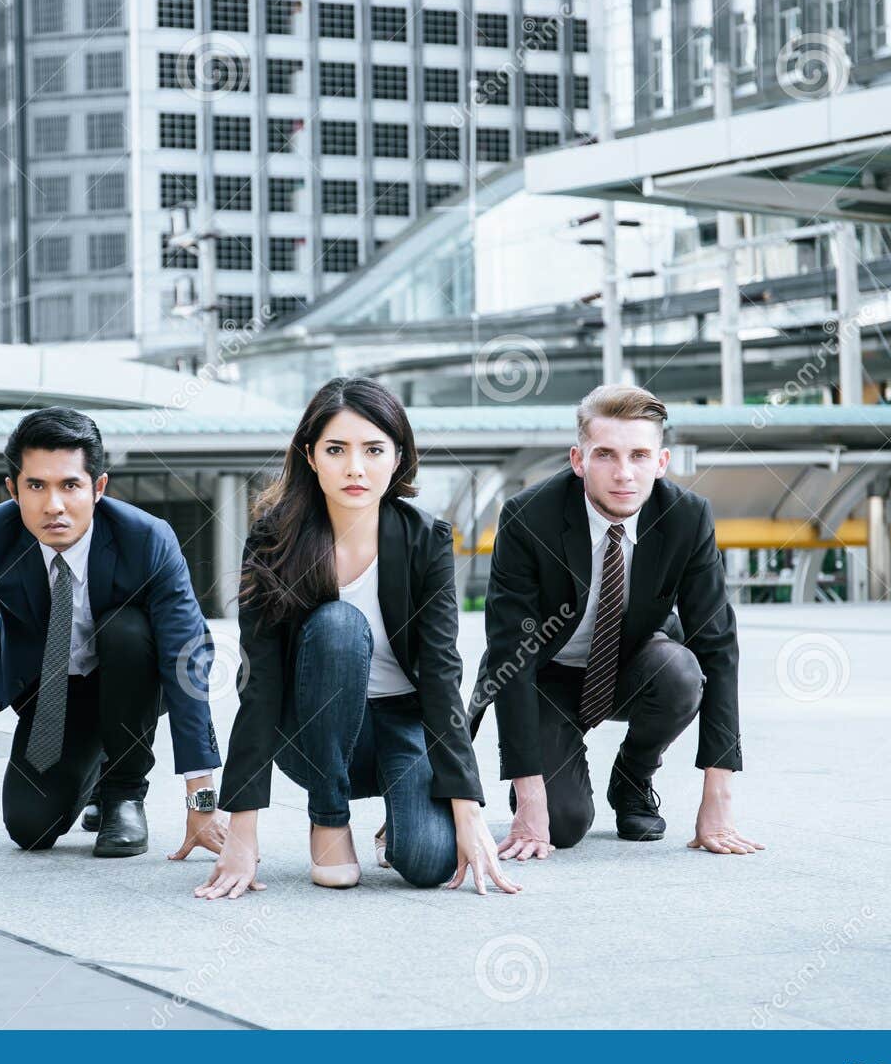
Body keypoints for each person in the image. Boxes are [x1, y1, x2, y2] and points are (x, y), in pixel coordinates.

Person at [197, 378, 519, 898]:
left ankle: (400, 815)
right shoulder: (273, 539)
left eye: (373, 449)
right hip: (310, 731)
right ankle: (329, 817)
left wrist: (469, 811)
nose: (355, 468)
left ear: (398, 456)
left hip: (399, 722)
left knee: (429, 862)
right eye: (336, 450)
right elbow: (260, 683)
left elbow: (440, 675)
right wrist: (242, 831)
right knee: (341, 626)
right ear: (310, 456)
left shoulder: (425, 540)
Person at [0, 407, 227, 863]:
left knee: (124, 629)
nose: (54, 506)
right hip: (48, 695)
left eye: (70, 485)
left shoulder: (148, 539)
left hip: (132, 680)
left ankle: (122, 793)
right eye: (36, 486)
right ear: (13, 489)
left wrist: (201, 802)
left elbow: (185, 662)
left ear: (98, 487)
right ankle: (93, 770)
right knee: (29, 828)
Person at [469, 384, 764, 858]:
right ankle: (554, 771)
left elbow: (718, 647)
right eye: (605, 454)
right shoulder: (528, 517)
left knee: (682, 671)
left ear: (661, 462)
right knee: (561, 827)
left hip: (633, 668)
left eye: (639, 455)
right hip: (548, 675)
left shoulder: (687, 517)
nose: (624, 474)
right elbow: (510, 652)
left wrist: (719, 796)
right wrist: (530, 793)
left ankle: (633, 775)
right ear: (578, 459)